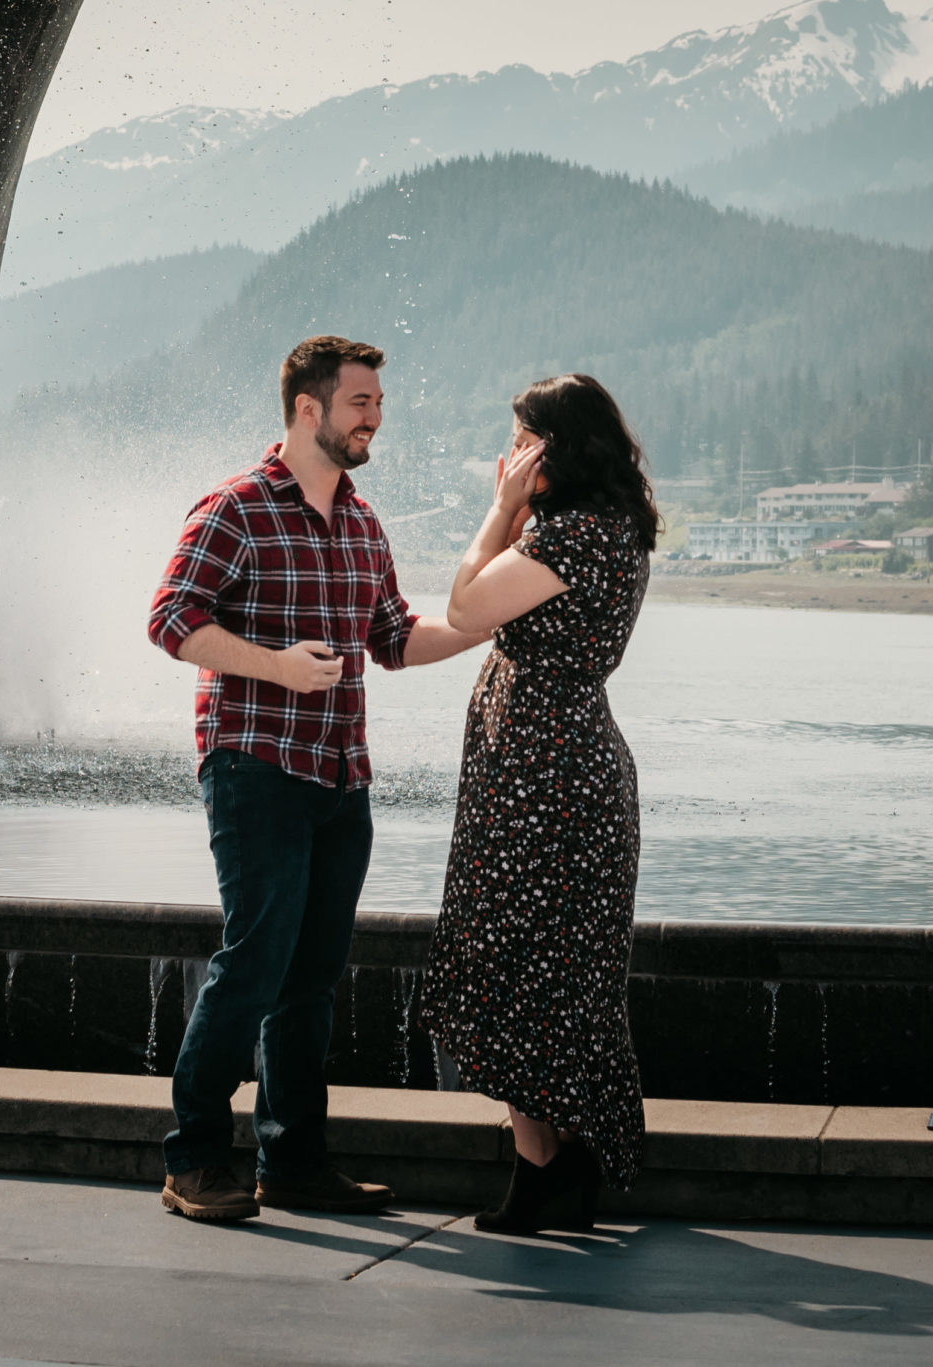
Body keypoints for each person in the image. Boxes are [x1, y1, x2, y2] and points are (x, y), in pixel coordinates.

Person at [147, 335, 490, 1221]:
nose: (375, 417)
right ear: (309, 407)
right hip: (254, 767)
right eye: (360, 402)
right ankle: (193, 1161)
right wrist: (272, 664)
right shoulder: (236, 508)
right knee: (254, 963)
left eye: (378, 403)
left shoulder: (365, 522)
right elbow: (170, 620)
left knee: (312, 977)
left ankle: (292, 1162)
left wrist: (494, 621)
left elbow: (396, 640)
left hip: (341, 777)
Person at [417, 373, 659, 1235]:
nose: (511, 456)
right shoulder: (600, 529)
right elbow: (473, 623)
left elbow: (466, 603)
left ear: (557, 449)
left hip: (542, 781)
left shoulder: (577, 535)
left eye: (522, 441)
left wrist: (499, 508)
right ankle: (566, 1160)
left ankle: (542, 1168)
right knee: (552, 970)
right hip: (556, 773)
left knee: (510, 964)